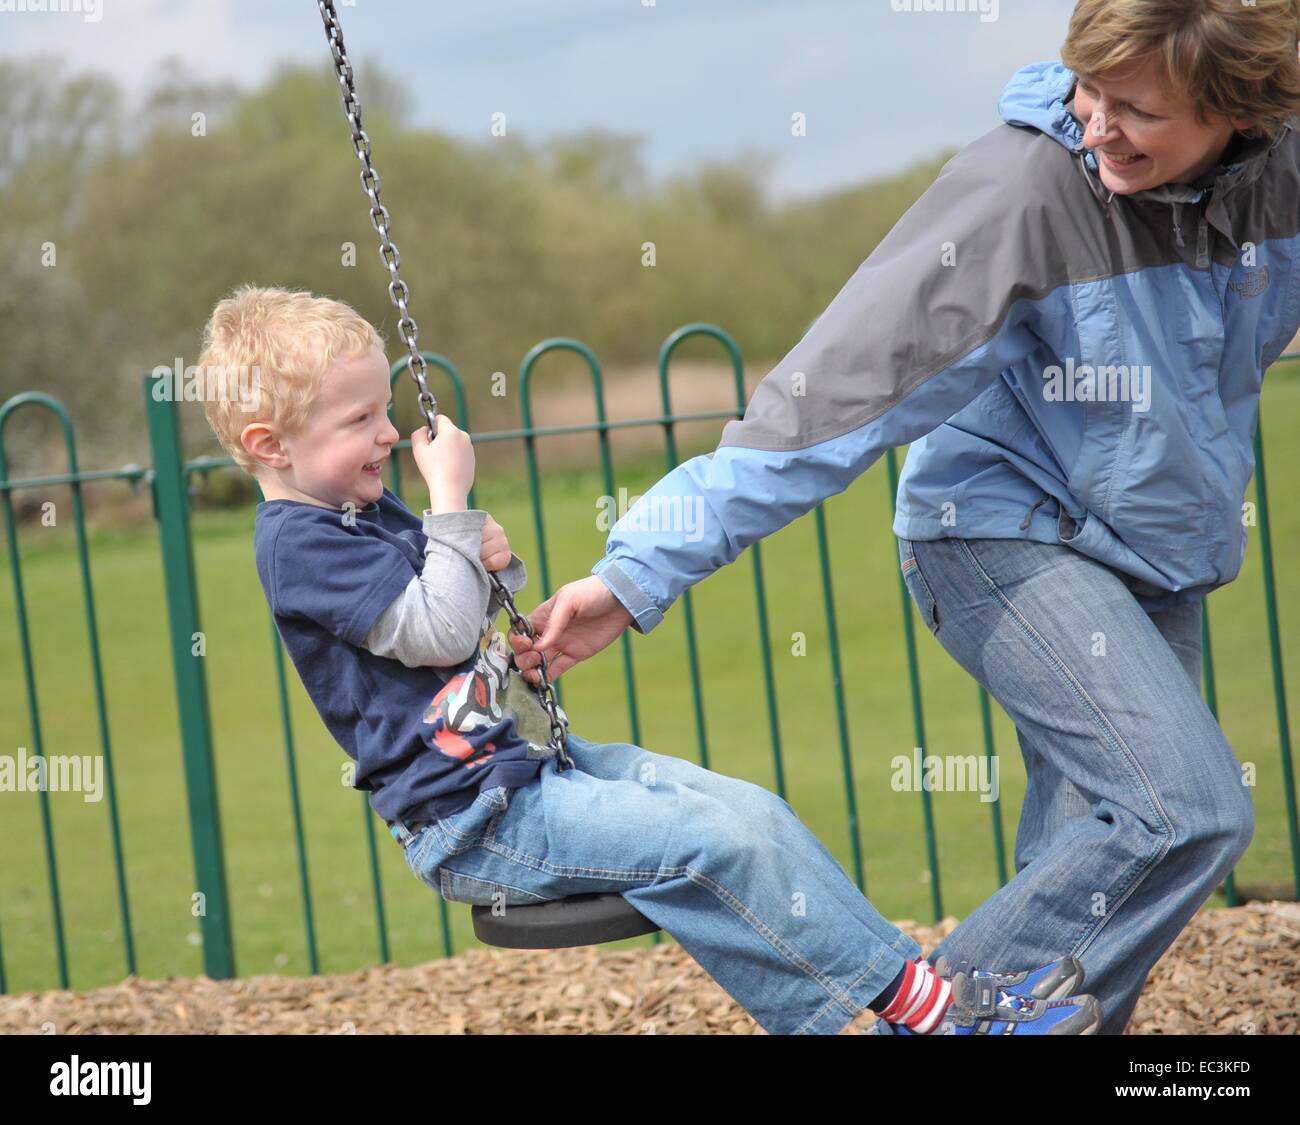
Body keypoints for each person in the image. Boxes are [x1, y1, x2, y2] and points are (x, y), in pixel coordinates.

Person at [511, 0, 1300, 1035]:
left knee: (1089, 900)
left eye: (1134, 110)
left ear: (1237, 111)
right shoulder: (1024, 192)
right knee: (1183, 810)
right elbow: (831, 394)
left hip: (1153, 551)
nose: (1096, 125)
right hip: (1000, 529)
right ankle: (913, 1027)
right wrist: (635, 572)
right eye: (1087, 90)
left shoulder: (1279, 179)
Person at [197, 285, 1102, 1035]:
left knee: (749, 810)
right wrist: (453, 506)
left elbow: (455, 617)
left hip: (530, 772)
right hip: (474, 821)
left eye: (386, 408)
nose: (391, 433)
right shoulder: (296, 544)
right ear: (269, 447)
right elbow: (433, 631)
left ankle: (932, 996)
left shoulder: (368, 509)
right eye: (361, 418)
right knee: (711, 845)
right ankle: (944, 1021)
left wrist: (494, 572)